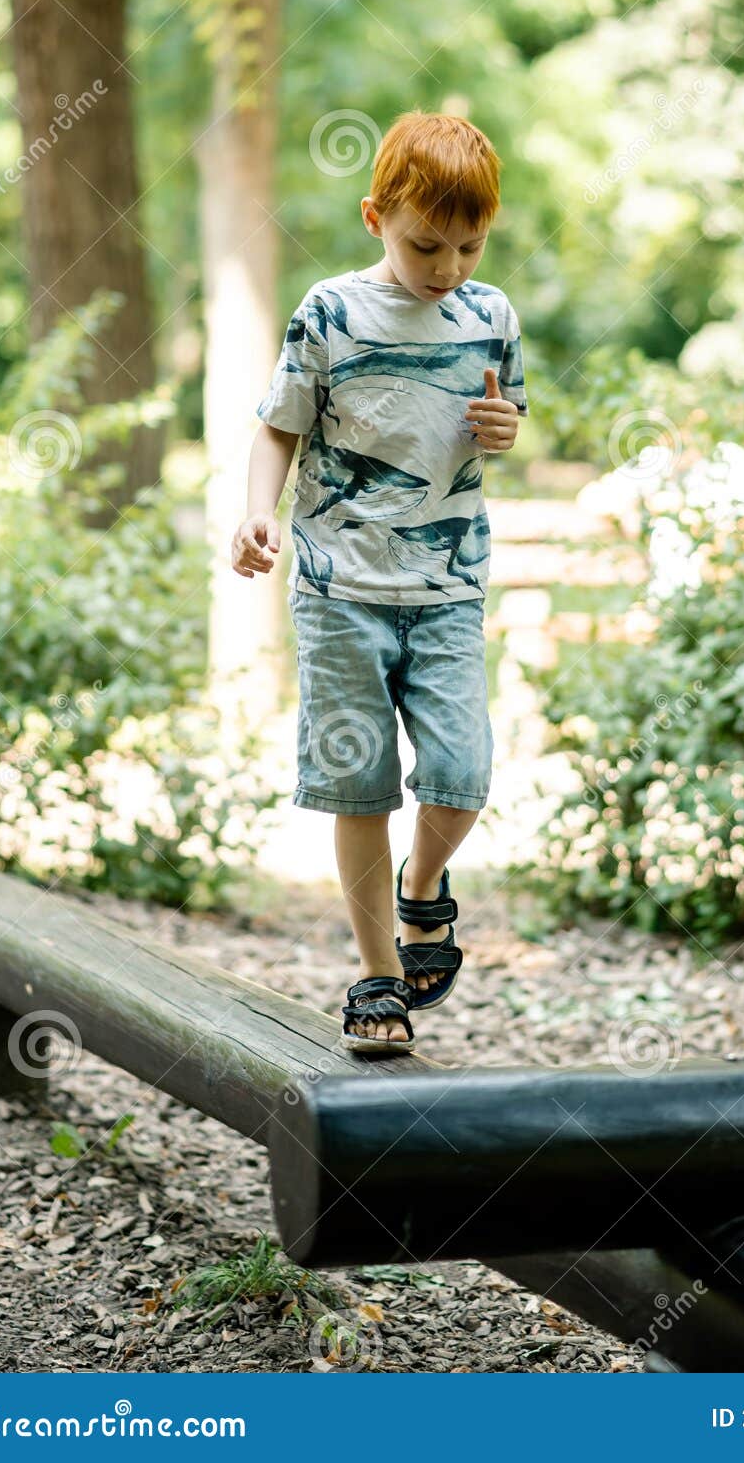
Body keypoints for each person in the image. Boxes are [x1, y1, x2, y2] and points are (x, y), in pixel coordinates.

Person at [231, 110, 528, 1055]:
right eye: (424, 245)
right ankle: (376, 978)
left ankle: (423, 887)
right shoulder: (329, 311)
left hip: (446, 582)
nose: (446, 268)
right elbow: (279, 423)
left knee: (461, 776)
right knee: (359, 787)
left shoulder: (491, 314)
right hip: (338, 585)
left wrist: (505, 431)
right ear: (375, 219)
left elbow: (500, 418)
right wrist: (257, 511)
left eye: (467, 246)